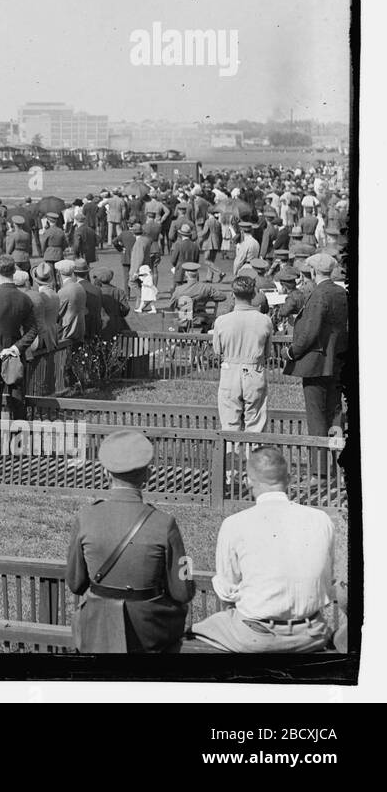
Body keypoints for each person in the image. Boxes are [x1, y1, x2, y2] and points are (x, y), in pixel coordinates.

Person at [189, 447, 335, 653]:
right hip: (312, 634)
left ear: (248, 481)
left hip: (257, 636)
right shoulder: (321, 520)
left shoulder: (234, 524)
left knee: (198, 629)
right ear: (290, 479)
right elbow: (326, 582)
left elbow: (226, 590)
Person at [65, 430, 195, 653]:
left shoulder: (85, 518)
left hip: (98, 632)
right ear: (148, 475)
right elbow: (183, 592)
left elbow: (75, 584)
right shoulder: (164, 524)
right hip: (151, 635)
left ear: (106, 473)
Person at [286, 252, 349, 475]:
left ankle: (320, 472)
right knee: (335, 414)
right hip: (338, 361)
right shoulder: (341, 292)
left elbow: (309, 332)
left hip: (317, 363)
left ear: (313, 272)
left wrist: (291, 352)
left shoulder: (319, 294)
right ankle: (339, 467)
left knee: (316, 418)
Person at [0, 255, 38, 422]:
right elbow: (32, 330)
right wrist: (16, 348)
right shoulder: (24, 298)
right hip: (16, 356)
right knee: (18, 401)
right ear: (14, 271)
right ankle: (20, 442)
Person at [212, 276, 273, 434]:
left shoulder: (221, 321)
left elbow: (217, 351)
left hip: (230, 371)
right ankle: (254, 457)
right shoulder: (264, 320)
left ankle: (231, 456)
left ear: (233, 294)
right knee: (256, 424)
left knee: (229, 423)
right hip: (254, 371)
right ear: (254, 294)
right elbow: (267, 353)